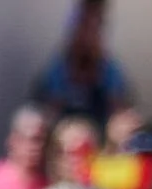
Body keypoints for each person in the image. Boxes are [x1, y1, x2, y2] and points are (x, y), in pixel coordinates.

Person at [32, 0, 132, 132]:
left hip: (99, 136)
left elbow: (119, 111)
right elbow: (48, 112)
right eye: (84, 27)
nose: (88, 37)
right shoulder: (57, 69)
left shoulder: (110, 71)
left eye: (94, 29)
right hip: (62, 136)